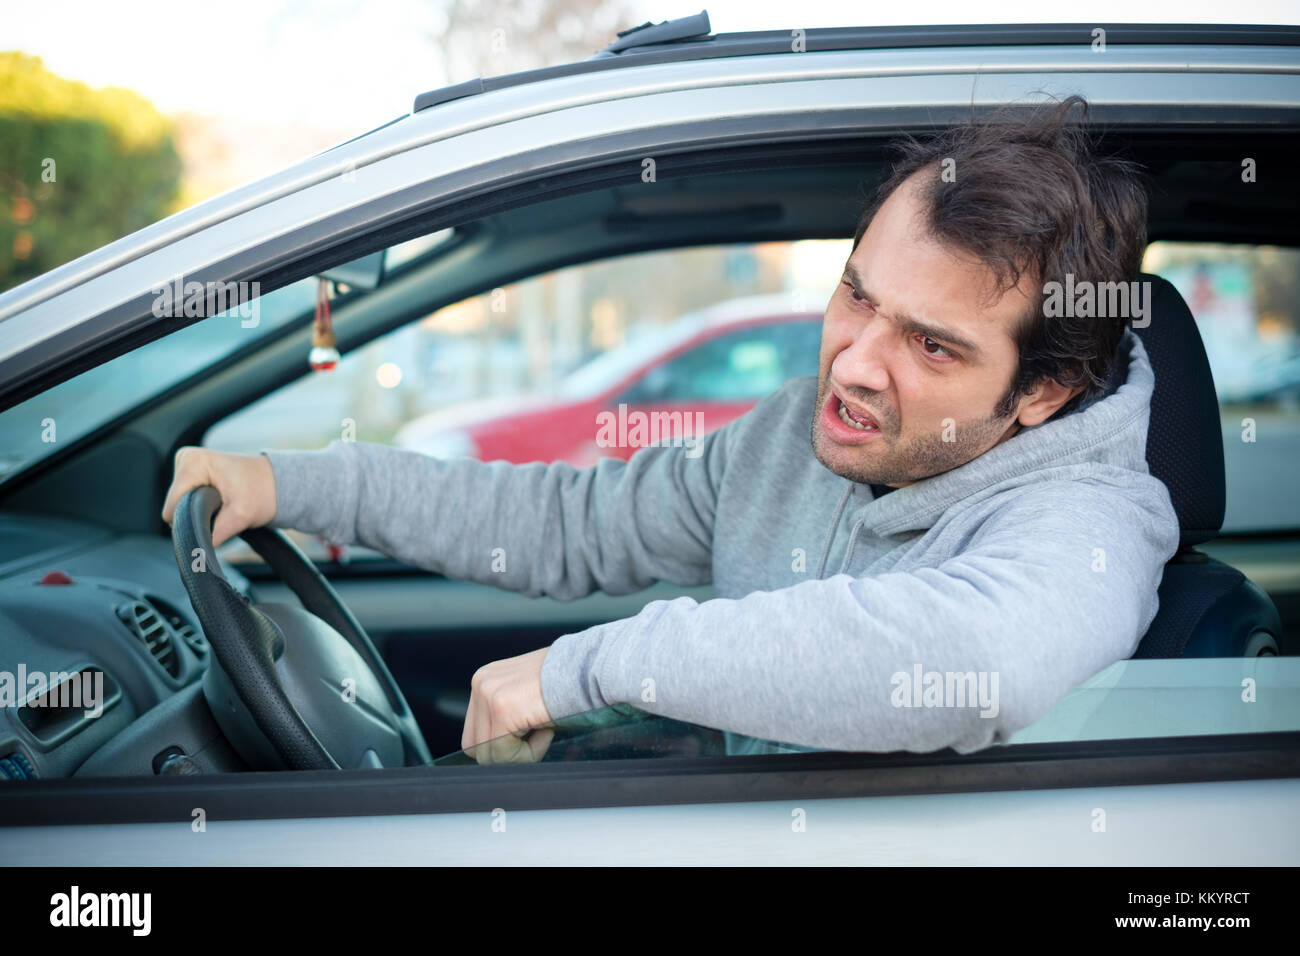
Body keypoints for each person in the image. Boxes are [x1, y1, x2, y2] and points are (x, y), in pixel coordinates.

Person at [162, 95, 1179, 764]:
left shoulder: (1090, 525)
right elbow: (563, 520)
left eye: (933, 347)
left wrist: (582, 671)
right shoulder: (805, 434)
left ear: (1041, 391)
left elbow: (973, 661)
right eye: (855, 295)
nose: (855, 361)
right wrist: (289, 484)